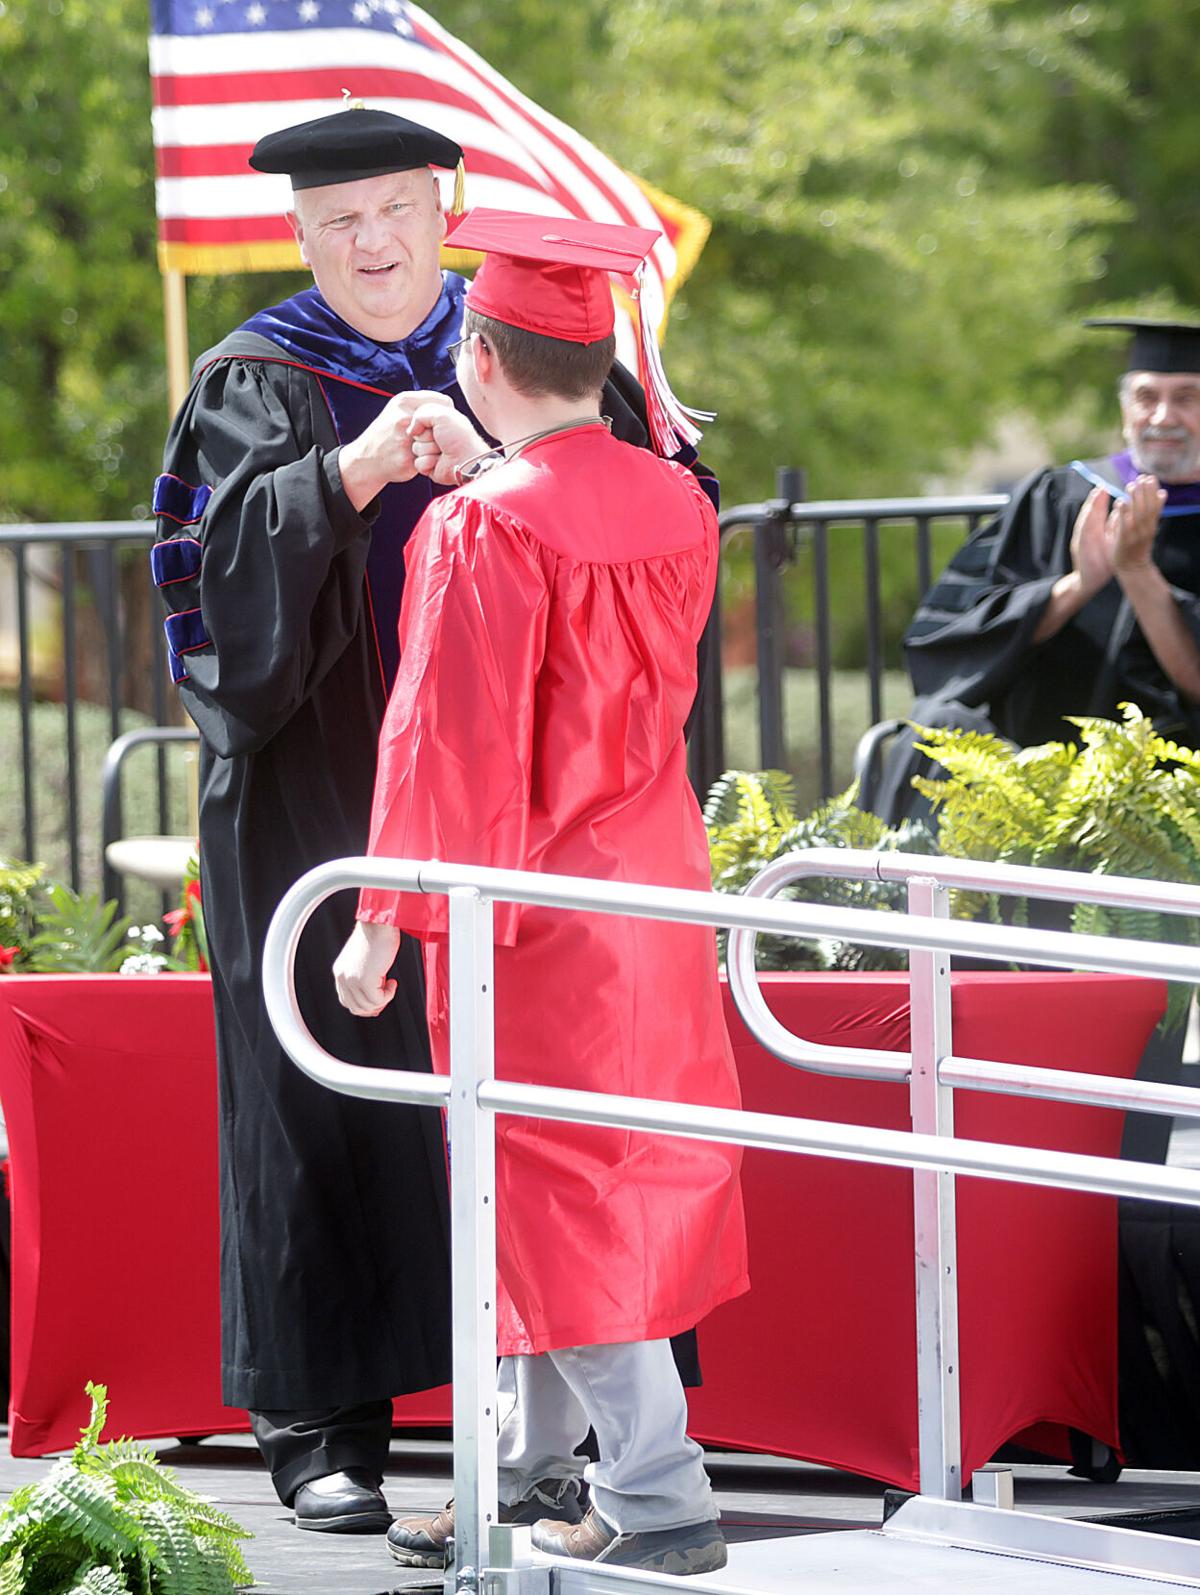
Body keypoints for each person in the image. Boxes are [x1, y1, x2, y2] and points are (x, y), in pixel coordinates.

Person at [151, 106, 705, 1533]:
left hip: (529, 807)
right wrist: (353, 472)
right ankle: (323, 1421)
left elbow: (648, 520)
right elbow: (204, 592)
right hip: (320, 790)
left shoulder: (529, 348)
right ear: (298, 235)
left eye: (396, 209)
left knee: (535, 1114)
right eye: (338, 222)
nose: (372, 243)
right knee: (328, 1097)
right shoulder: (259, 375)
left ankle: (540, 1448)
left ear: (442, 206)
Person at [333, 209, 748, 1577]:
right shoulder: (678, 496)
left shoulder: (481, 530)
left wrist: (380, 913)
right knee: (598, 1177)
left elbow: (442, 737)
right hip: (656, 890)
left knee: (552, 1195)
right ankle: (513, 1469)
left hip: (537, 910)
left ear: (478, 357)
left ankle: (663, 1484)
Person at [901, 318, 1200, 758]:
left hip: (1175, 767)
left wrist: (1136, 573)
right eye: (1146, 397)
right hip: (1038, 756)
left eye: (1186, 398)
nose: (1162, 417)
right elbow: (951, 642)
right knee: (933, 729)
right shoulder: (1062, 496)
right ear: (1124, 411)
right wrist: (1077, 585)